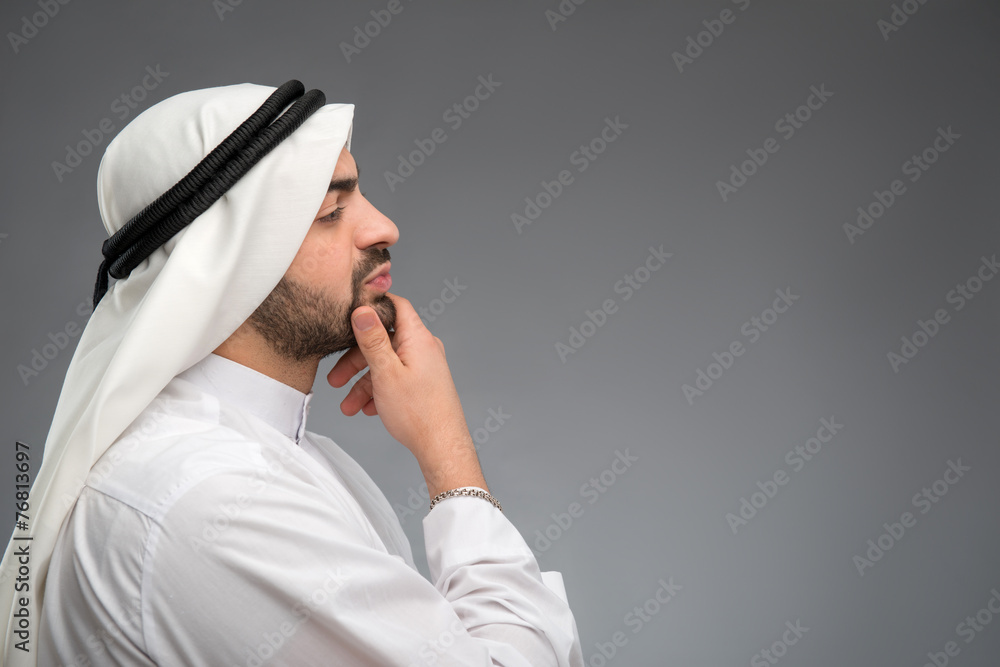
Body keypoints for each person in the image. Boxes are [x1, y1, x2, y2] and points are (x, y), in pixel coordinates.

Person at [0, 80, 583, 666]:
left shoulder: (300, 460)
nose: (384, 227)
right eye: (331, 210)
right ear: (222, 263)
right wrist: (449, 454)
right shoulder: (211, 500)